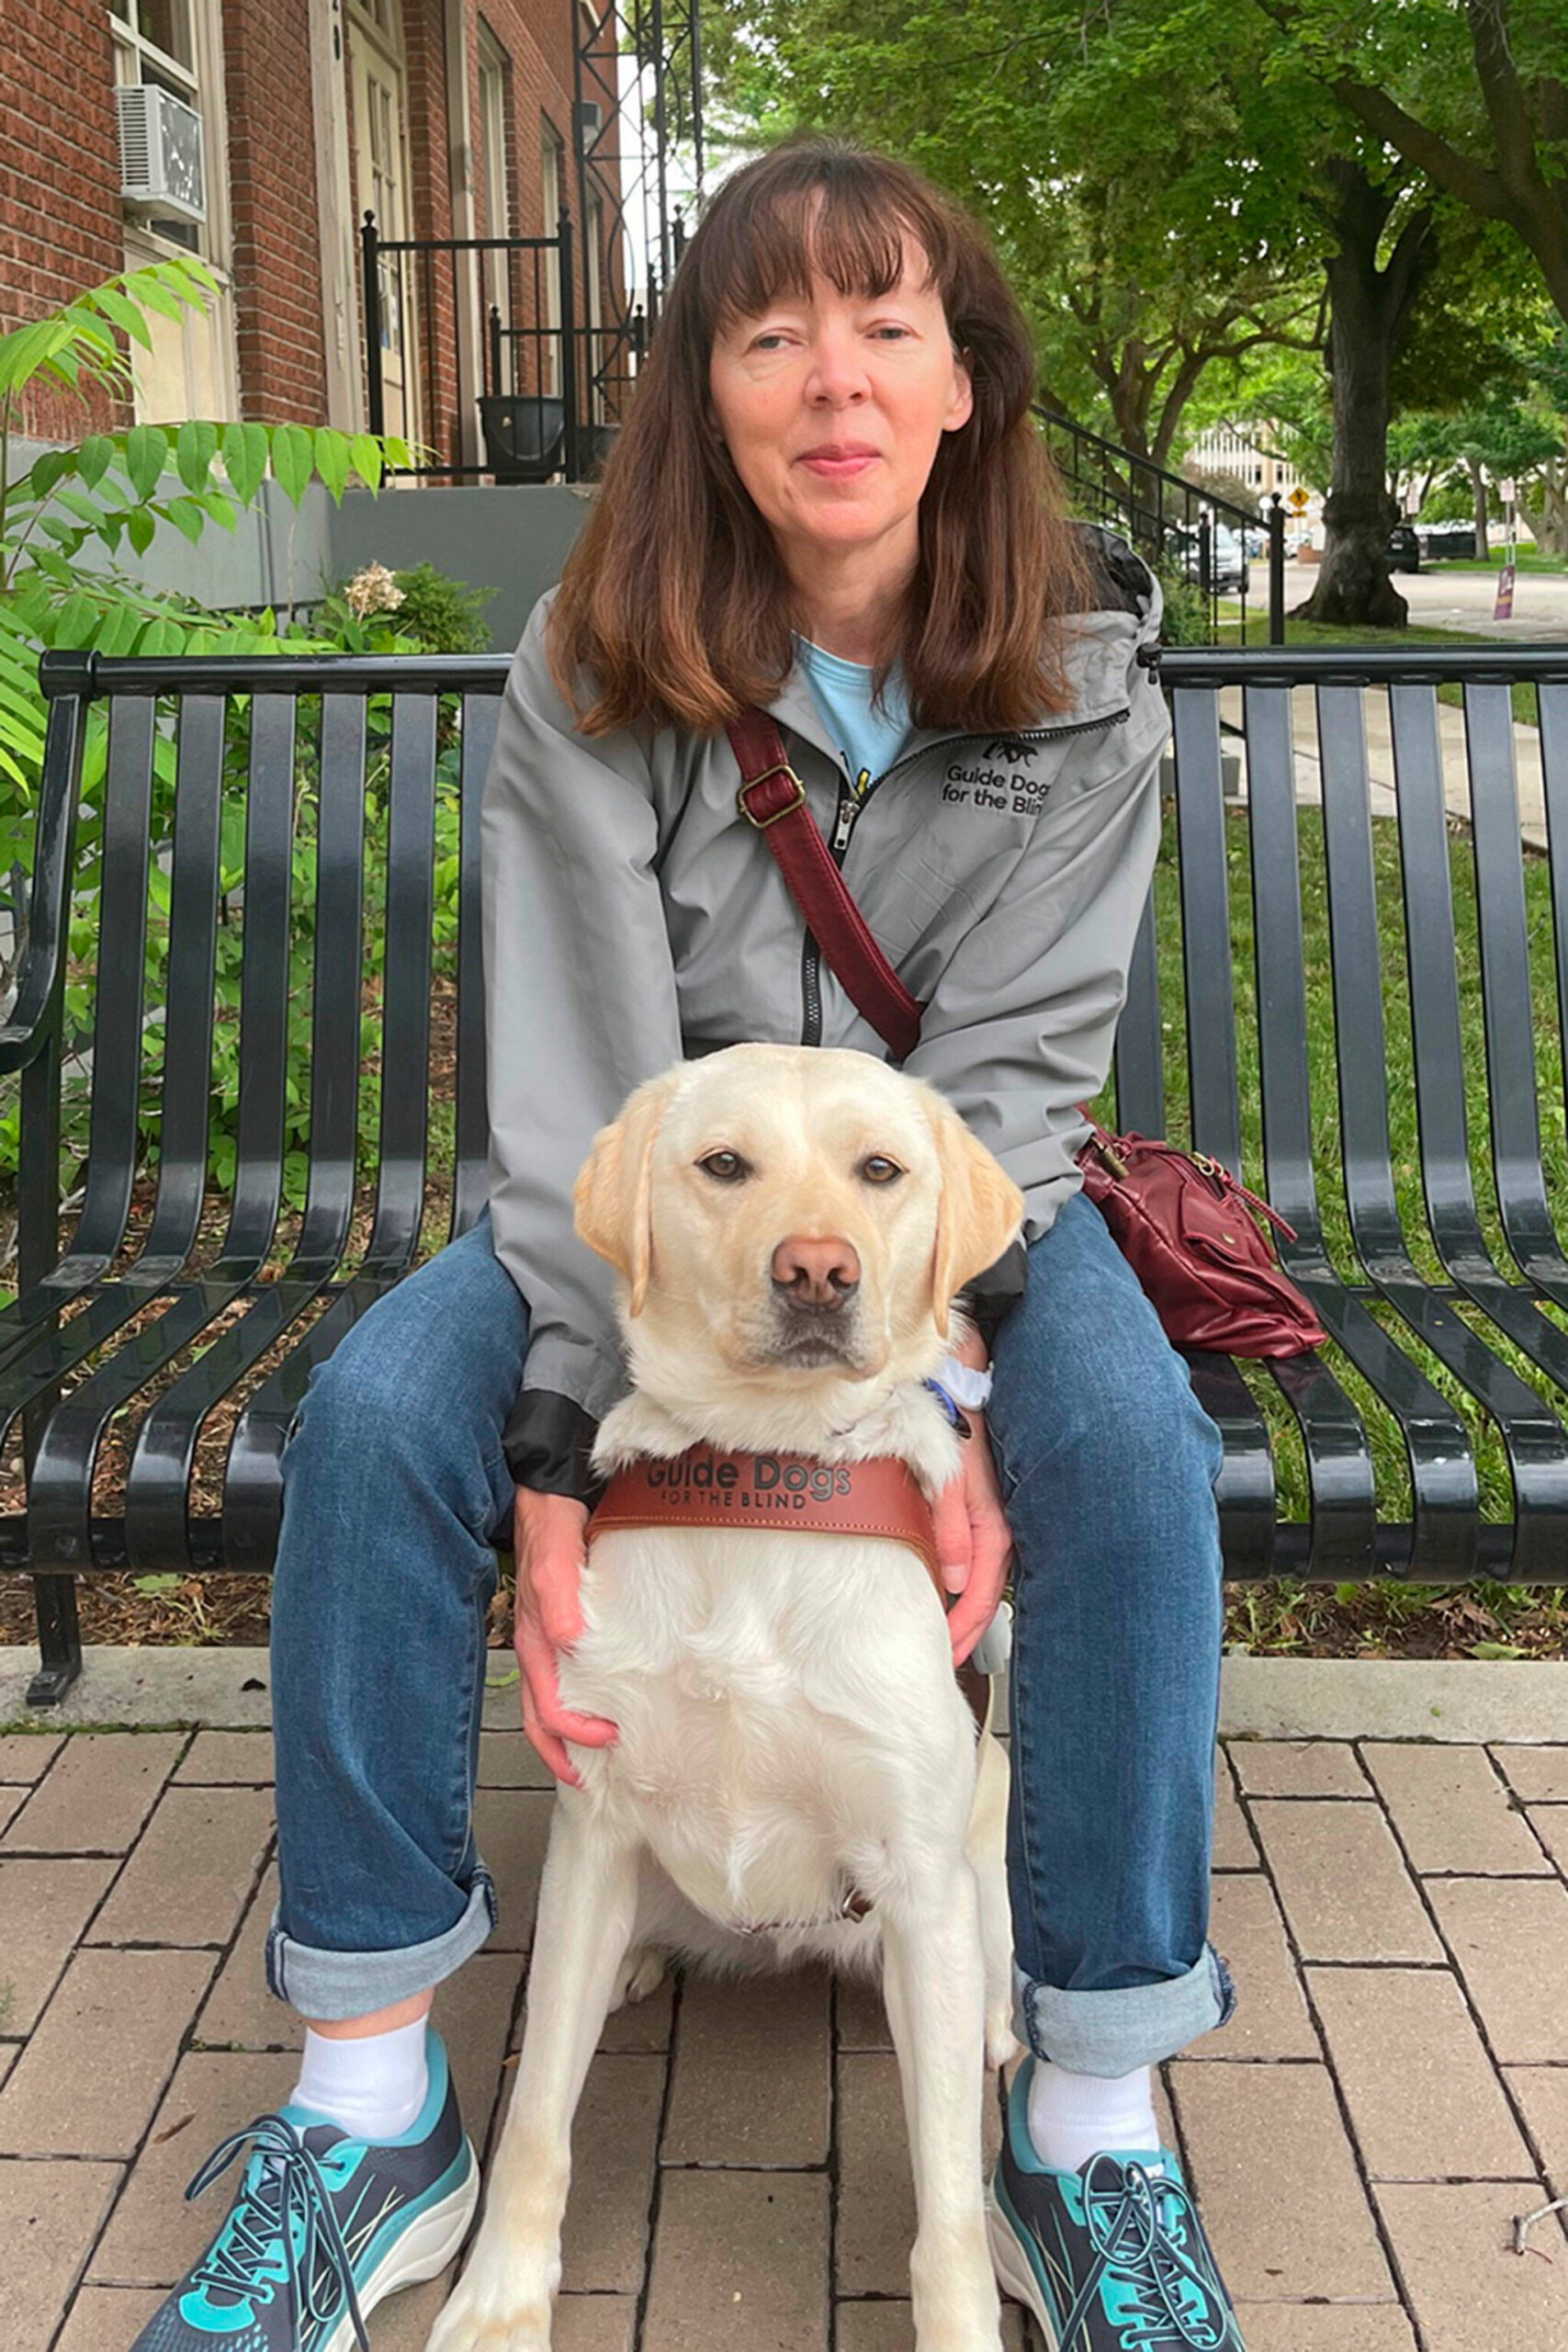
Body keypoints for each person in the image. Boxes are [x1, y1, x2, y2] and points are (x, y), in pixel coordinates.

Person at [135, 133, 1244, 2352]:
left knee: (1126, 1459)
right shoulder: (594, 665)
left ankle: (1089, 2125)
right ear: (707, 395)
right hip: (650, 1215)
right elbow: (581, 1095)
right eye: (769, 332)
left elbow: (1012, 1087)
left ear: (961, 382)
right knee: (373, 1422)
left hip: (955, 1213)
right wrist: (560, 1416)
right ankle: (370, 2102)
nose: (831, 377)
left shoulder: (1081, 670)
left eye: (884, 325)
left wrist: (962, 1370)